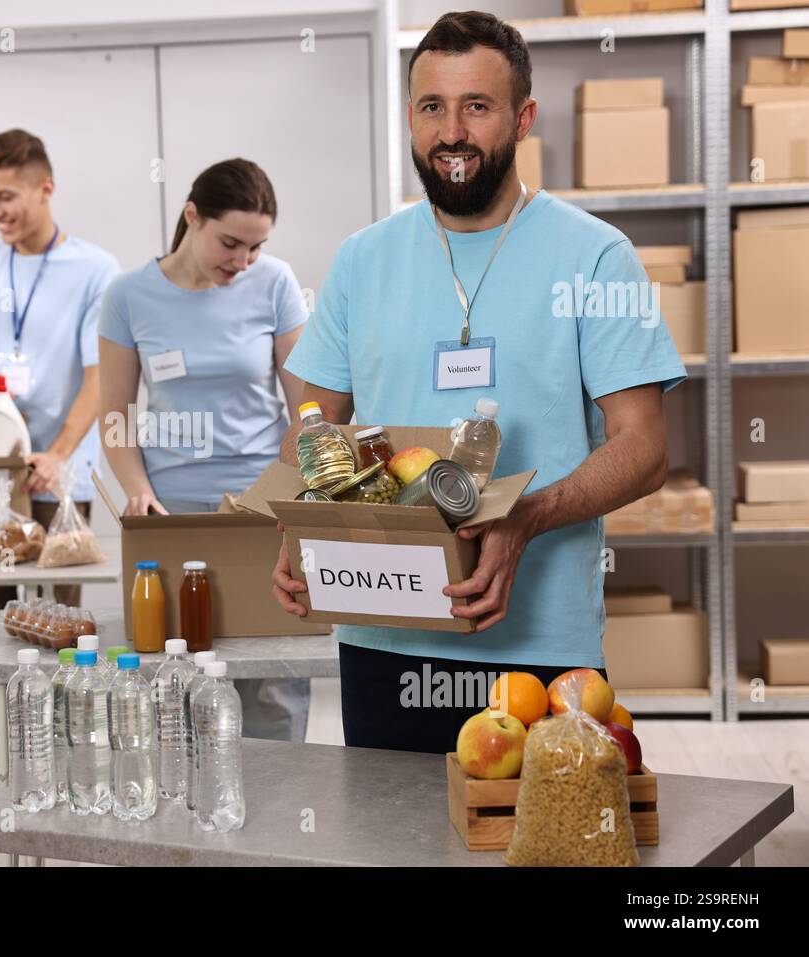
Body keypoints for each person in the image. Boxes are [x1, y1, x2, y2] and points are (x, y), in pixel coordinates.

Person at [271, 11, 686, 754]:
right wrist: (308, 512)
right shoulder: (362, 261)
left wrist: (525, 515)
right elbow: (313, 414)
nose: (452, 132)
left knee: (539, 847)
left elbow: (645, 447)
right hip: (385, 633)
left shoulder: (596, 258)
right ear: (410, 116)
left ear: (524, 117)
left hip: (538, 647)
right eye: (432, 107)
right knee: (388, 842)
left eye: (477, 106)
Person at [98, 158, 312, 742]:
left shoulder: (275, 284)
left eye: (256, 246)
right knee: (176, 674)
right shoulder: (128, 295)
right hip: (173, 516)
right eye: (231, 242)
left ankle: (276, 819)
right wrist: (138, 491)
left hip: (262, 513)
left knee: (273, 678)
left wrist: (289, 496)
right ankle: (188, 818)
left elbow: (307, 411)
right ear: (192, 216)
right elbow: (115, 414)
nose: (242, 261)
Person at [0, 129, 119, 643]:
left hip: (59, 474)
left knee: (57, 629)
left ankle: (59, 725)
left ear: (45, 188)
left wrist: (58, 456)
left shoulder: (95, 269)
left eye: (6, 197)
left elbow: (99, 376)